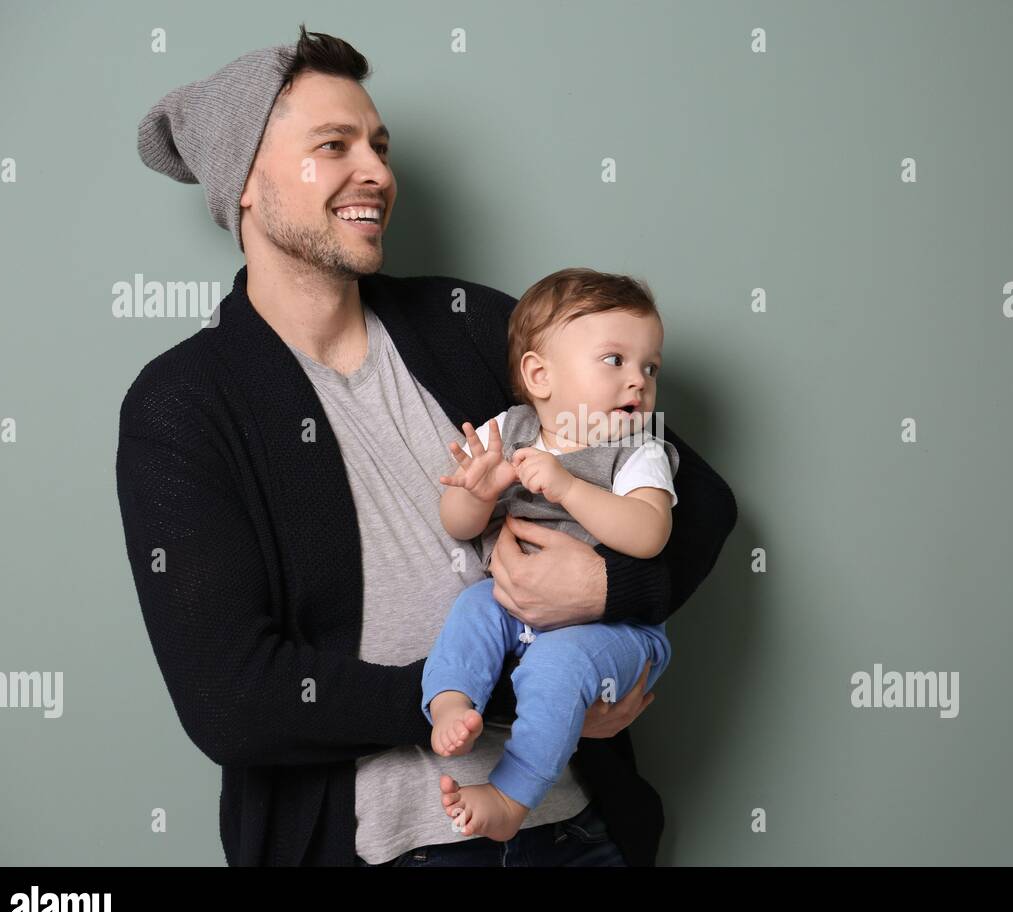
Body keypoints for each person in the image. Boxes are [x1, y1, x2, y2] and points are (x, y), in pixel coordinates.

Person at [117, 25, 736, 867]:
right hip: (382, 849)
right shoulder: (184, 405)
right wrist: (517, 695)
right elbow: (234, 698)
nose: (375, 171)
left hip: (580, 831)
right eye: (332, 146)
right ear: (246, 183)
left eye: (378, 144)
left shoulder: (469, 325)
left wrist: (607, 582)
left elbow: (696, 497)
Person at [423, 267, 678, 842]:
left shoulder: (638, 451)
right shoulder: (509, 433)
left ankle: (512, 795)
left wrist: (568, 488)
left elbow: (648, 534)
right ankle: (450, 702)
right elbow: (456, 524)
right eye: (615, 360)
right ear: (539, 375)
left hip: (617, 632)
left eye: (650, 367)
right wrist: (478, 494)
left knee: (556, 666)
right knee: (472, 610)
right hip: (514, 607)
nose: (637, 380)